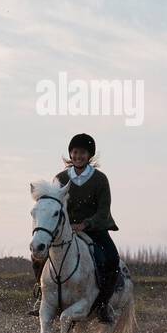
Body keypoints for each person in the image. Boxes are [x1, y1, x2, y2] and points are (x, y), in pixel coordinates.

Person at [29, 133, 120, 323]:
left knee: (112, 258)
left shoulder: (100, 179)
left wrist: (85, 224)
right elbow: (53, 207)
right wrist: (63, 226)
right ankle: (40, 297)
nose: (78, 156)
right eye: (75, 152)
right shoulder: (60, 178)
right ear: (70, 154)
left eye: (83, 153)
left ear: (89, 156)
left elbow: (103, 211)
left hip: (94, 230)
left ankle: (103, 305)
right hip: (64, 230)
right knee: (38, 256)